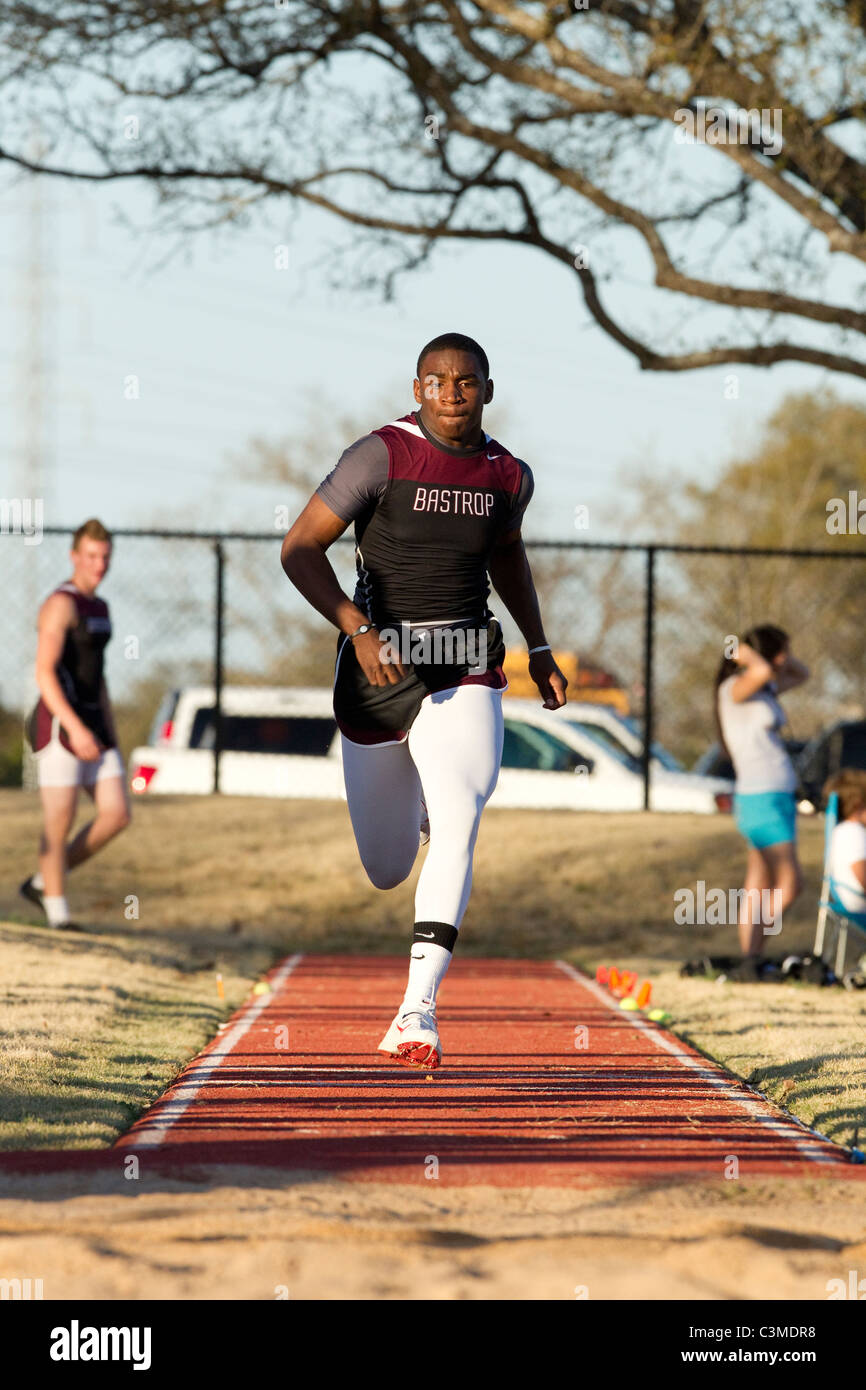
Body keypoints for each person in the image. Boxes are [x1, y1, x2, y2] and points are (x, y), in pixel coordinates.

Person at [281, 332, 567, 1067]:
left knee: (463, 815)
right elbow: (299, 548)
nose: (451, 394)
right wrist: (356, 627)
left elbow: (507, 554)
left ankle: (417, 1011)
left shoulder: (510, 476)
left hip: (465, 659)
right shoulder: (381, 455)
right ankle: (412, 812)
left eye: (465, 382)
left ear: (487, 390)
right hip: (377, 669)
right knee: (385, 867)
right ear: (417, 389)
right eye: (436, 381)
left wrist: (536, 646)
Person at [20, 518, 130, 932]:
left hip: (96, 725)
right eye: (91, 556)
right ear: (74, 556)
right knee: (59, 819)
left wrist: (107, 730)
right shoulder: (59, 604)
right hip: (58, 728)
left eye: (105, 556)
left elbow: (97, 676)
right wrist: (75, 728)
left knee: (116, 815)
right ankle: (58, 916)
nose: (99, 564)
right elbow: (44, 673)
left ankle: (41, 881)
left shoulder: (100, 607)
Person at [715, 625, 809, 957]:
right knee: (791, 883)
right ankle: (754, 950)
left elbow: (802, 673)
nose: (786, 658)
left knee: (759, 882)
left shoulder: (765, 688)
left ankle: (750, 958)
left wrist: (776, 659)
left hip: (777, 795)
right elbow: (765, 669)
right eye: (781, 650)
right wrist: (751, 655)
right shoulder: (735, 689)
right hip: (761, 797)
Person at [823, 768, 866, 918]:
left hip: (848, 901)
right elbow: (863, 876)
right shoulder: (854, 833)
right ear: (858, 804)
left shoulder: (842, 831)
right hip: (859, 904)